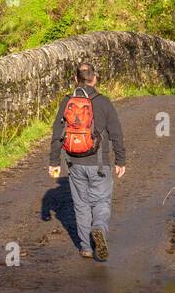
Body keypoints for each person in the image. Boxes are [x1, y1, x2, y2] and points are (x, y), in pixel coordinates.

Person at [48, 61, 126, 261]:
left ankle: (85, 248)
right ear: (95, 78)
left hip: (74, 164)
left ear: (75, 79)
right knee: (101, 201)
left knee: (81, 205)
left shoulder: (67, 102)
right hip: (99, 164)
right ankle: (98, 227)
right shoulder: (103, 102)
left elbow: (58, 134)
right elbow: (116, 133)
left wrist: (54, 162)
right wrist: (120, 160)